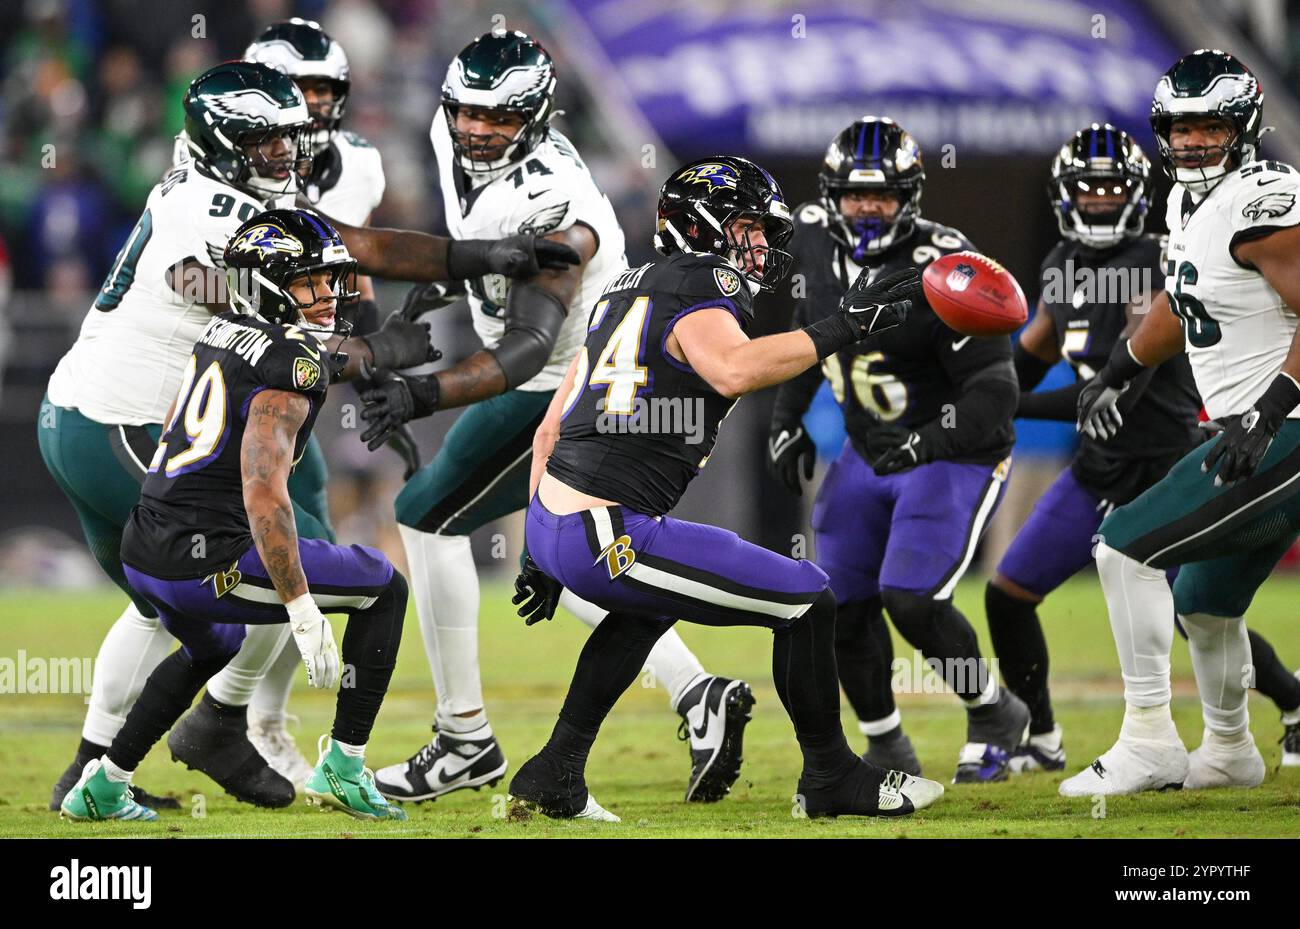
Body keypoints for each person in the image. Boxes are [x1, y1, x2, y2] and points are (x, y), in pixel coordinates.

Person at [44, 59, 581, 811]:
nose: (285, 155)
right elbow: (249, 308)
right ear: (222, 142)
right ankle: (206, 731)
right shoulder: (213, 214)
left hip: (88, 417)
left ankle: (114, 766)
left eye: (287, 139)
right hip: (119, 419)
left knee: (167, 607)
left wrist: (475, 259)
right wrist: (379, 353)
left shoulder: (221, 190)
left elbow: (355, 246)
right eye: (264, 142)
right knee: (248, 571)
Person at [359, 32, 755, 806]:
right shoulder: (453, 133)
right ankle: (696, 691)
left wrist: (422, 393)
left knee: (428, 517)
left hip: (564, 379)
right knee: (553, 551)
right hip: (555, 374)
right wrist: (459, 281)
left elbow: (527, 343)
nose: (477, 132)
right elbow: (446, 250)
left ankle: (464, 737)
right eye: (469, 114)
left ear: (537, 119)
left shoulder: (559, 204)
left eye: (499, 120)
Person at [505, 154, 945, 821]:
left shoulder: (625, 288)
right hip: (607, 527)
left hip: (557, 519)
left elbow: (548, 432)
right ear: (701, 224)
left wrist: (540, 550)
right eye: (749, 226)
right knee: (808, 599)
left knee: (644, 610)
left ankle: (555, 769)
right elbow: (734, 369)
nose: (762, 244)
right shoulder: (700, 278)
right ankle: (830, 775)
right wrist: (849, 323)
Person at [61, 209, 409, 822]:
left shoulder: (222, 331)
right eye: (308, 282)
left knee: (212, 643)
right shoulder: (290, 364)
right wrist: (300, 605)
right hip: (201, 554)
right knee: (384, 588)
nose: (327, 295)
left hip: (144, 543)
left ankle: (105, 783)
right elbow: (262, 490)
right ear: (270, 284)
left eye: (329, 280)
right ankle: (345, 766)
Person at [993, 123, 1300, 774]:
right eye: (1089, 188)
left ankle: (1268, 708)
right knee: (1009, 590)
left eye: (1112, 187)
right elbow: (1033, 352)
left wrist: (1008, 406)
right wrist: (978, 393)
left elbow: (1123, 383)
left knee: (1193, 604)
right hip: (1095, 468)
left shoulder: (1159, 255)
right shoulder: (1060, 267)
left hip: (1163, 454)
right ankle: (1042, 736)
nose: (1101, 199)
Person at [1061, 50, 1300, 796]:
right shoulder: (1188, 204)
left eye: (1210, 126)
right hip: (1248, 426)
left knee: (1121, 548)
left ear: (1245, 125)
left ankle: (1149, 742)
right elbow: (1183, 299)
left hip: (1282, 427)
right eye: (1181, 127)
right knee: (1203, 599)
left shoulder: (1267, 198)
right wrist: (1119, 370)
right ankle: (1229, 752)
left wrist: (1271, 408)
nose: (1194, 141)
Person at [767, 117, 1028, 783]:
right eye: (854, 195)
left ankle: (993, 709)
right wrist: (787, 415)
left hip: (950, 451)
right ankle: (884, 743)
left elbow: (994, 388)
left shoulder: (946, 265)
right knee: (841, 605)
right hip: (869, 448)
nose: (866, 208)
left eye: (881, 195)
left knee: (910, 598)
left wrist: (927, 440)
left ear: (910, 195)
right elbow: (809, 334)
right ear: (832, 195)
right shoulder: (818, 250)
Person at [188, 16, 401, 788]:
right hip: (224, 384)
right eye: (295, 92)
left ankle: (235, 721)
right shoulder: (216, 177)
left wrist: (376, 367)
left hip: (293, 384)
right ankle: (213, 722)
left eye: (323, 91)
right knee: (245, 558)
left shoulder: (356, 167)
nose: (309, 110)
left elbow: (359, 272)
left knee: (290, 541)